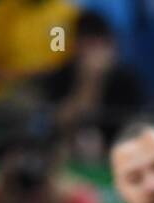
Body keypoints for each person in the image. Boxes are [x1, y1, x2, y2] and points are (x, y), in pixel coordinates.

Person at [41, 10, 144, 162]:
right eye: (87, 44)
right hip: (67, 153)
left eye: (99, 44)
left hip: (115, 154)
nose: (93, 52)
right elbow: (61, 122)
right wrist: (90, 80)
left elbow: (135, 129)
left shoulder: (126, 79)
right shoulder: (60, 75)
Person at [0, 0, 78, 106]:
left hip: (56, 90)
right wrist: (26, 75)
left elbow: (65, 57)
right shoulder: (1, 10)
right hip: (8, 93)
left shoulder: (67, 13)